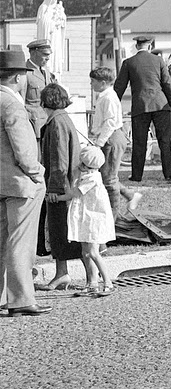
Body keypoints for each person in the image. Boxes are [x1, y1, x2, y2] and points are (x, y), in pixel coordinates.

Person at [0, 49, 51, 317]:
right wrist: (37, 172)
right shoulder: (12, 105)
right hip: (20, 183)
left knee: (1, 242)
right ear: (18, 76)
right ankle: (20, 299)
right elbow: (22, 149)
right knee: (21, 242)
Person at [114, 35, 171, 183]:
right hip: (160, 104)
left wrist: (114, 104)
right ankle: (168, 174)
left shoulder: (129, 63)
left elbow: (119, 87)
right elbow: (167, 83)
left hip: (140, 105)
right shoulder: (159, 61)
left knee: (139, 142)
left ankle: (137, 176)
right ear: (150, 46)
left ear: (137, 47)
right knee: (164, 141)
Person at [39, 83, 82, 289]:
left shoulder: (56, 123)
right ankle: (61, 273)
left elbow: (59, 159)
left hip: (60, 186)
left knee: (63, 231)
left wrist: (53, 190)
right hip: (67, 183)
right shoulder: (63, 119)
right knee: (62, 232)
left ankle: (66, 274)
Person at [57, 146, 116, 296]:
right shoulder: (88, 175)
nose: (79, 166)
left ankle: (108, 282)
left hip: (94, 220)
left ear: (89, 166)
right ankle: (93, 283)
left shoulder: (92, 178)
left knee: (93, 253)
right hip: (87, 219)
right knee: (86, 252)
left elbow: (74, 193)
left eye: (82, 164)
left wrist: (57, 198)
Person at [89, 67, 141, 217]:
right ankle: (131, 196)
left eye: (93, 81)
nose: (91, 84)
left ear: (103, 82)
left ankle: (114, 215)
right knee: (106, 175)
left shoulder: (109, 97)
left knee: (109, 179)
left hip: (112, 138)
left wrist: (99, 143)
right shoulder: (104, 96)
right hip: (109, 137)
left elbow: (110, 122)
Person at [23, 38, 57, 141]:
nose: (47, 58)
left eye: (48, 55)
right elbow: (21, 102)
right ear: (33, 53)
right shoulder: (25, 72)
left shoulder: (46, 71)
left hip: (48, 122)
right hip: (34, 124)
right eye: (44, 55)